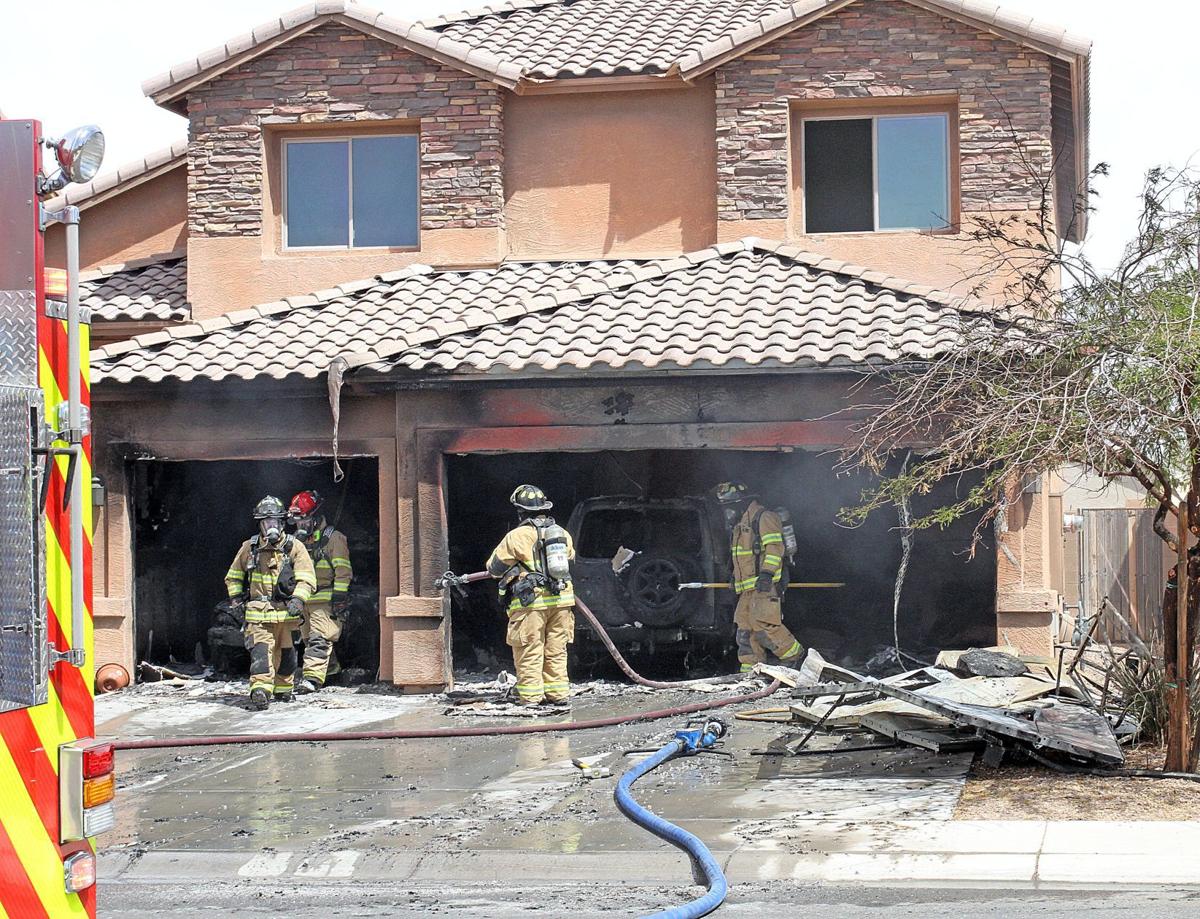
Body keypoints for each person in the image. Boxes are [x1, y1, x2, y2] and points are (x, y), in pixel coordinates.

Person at [486, 485, 576, 706]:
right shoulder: (562, 533)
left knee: (529, 649)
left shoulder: (516, 536)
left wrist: (518, 566)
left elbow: (494, 568)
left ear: (520, 511)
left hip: (531, 603)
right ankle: (559, 695)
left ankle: (531, 697)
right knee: (556, 650)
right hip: (562, 600)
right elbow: (570, 558)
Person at [224, 495, 317, 710]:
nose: (271, 527)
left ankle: (284, 690)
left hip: (287, 613)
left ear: (282, 523)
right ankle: (260, 690)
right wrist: (236, 600)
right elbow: (233, 575)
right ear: (261, 524)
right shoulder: (250, 547)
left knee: (287, 654)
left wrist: (299, 599)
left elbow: (307, 577)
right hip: (258, 613)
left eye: (275, 522)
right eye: (267, 523)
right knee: (261, 652)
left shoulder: (295, 547)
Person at [714, 481, 803, 672]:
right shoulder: (740, 525)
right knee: (745, 630)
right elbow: (740, 558)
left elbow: (775, 549)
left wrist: (767, 574)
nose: (728, 511)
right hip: (747, 589)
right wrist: (734, 577)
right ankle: (749, 670)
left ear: (742, 502)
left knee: (764, 625)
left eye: (730, 506)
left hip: (765, 585)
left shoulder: (764, 517)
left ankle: (794, 658)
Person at [287, 490, 353, 694]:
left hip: (325, 601)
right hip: (303, 601)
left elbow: (343, 571)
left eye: (304, 521)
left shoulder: (333, 539)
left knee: (319, 639)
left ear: (316, 517)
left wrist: (339, 598)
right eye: (297, 522)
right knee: (309, 641)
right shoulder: (294, 543)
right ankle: (332, 674)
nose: (301, 526)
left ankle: (312, 680)